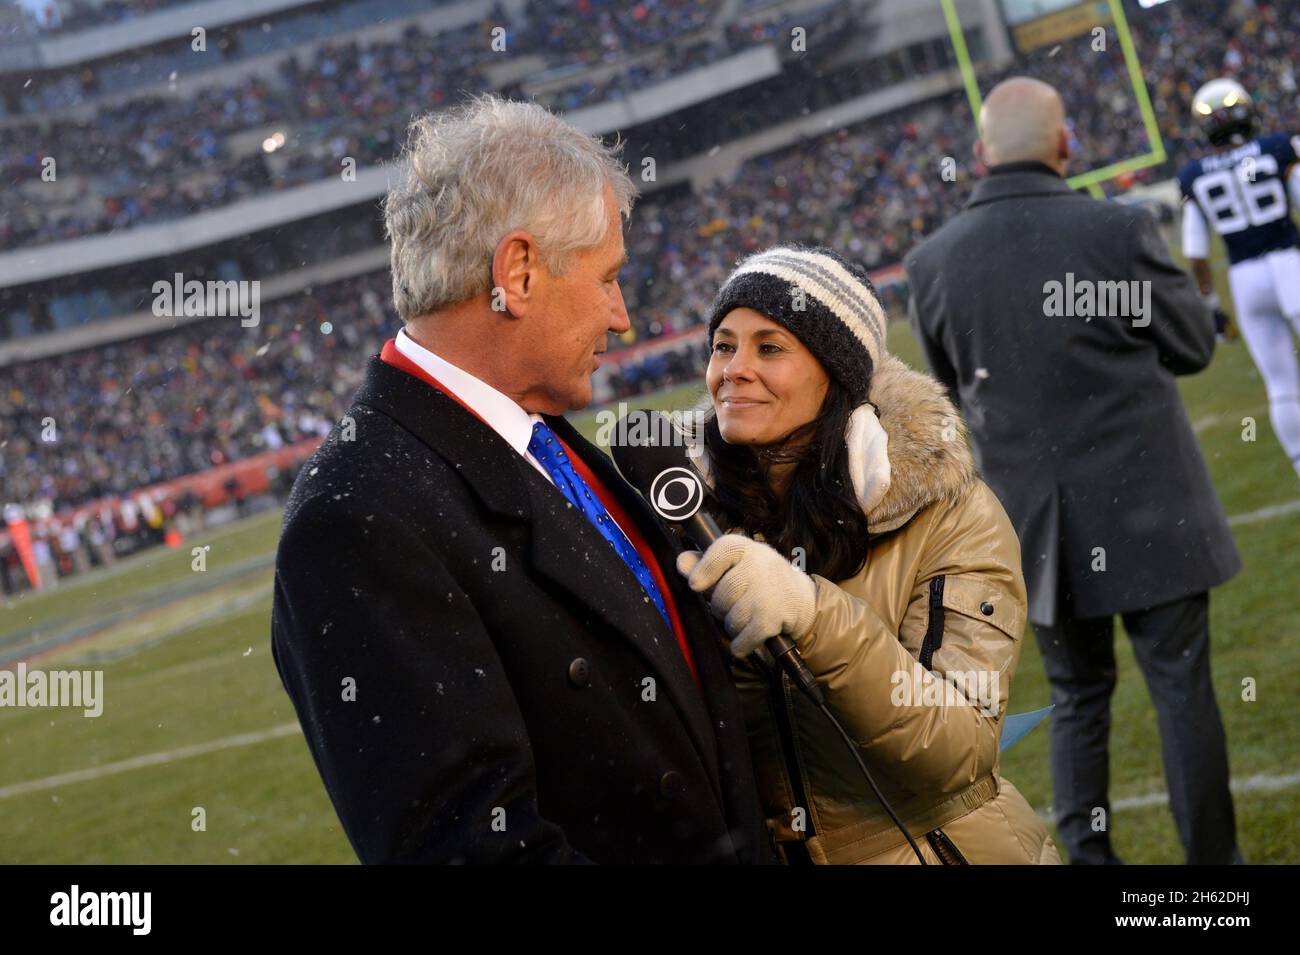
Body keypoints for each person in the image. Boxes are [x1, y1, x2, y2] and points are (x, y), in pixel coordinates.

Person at [270, 94, 771, 864]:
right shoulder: (356, 515)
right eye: (607, 278)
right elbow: (468, 846)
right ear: (519, 272)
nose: (622, 315)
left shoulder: (536, 434)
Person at [904, 77, 1243, 864]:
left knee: (1078, 699)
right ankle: (1213, 885)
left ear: (981, 155)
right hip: (1153, 508)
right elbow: (1193, 344)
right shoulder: (1113, 231)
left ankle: (1090, 860)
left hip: (1037, 529)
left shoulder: (932, 265)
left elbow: (953, 394)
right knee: (1181, 691)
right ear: (1066, 147)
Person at [675, 245, 1060, 864]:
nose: (735, 369)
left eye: (769, 348)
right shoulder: (683, 513)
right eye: (724, 346)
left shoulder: (949, 511)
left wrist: (813, 614)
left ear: (836, 374)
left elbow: (958, 748)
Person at [1179, 77, 1300, 481]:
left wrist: (1212, 307)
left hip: (1245, 279)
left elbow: (1196, 253)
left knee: (1281, 384)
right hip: (1289, 262)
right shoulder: (1278, 148)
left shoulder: (1194, 174)